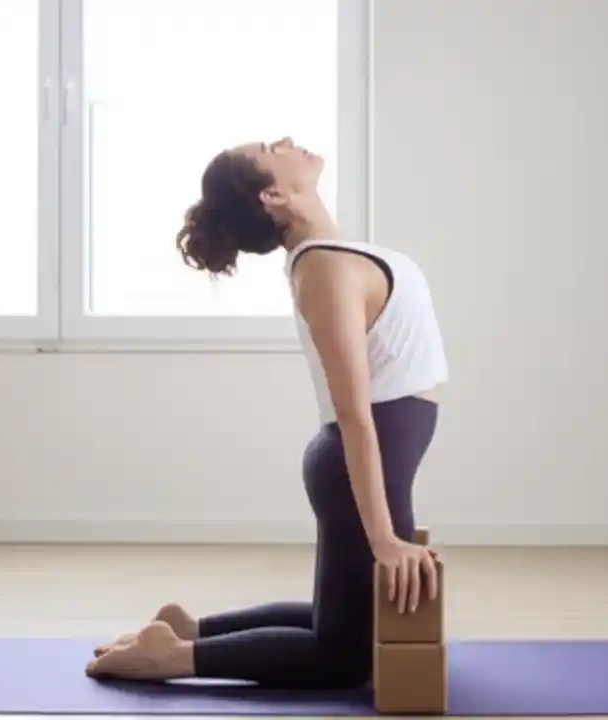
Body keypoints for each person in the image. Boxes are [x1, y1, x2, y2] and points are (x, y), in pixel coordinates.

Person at [85, 137, 449, 689]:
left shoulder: (333, 254)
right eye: (267, 148)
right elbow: (354, 412)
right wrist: (385, 540)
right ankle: (176, 659)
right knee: (346, 658)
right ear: (272, 194)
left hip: (366, 456)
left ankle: (190, 630)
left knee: (344, 624)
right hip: (360, 457)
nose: (283, 141)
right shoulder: (324, 269)